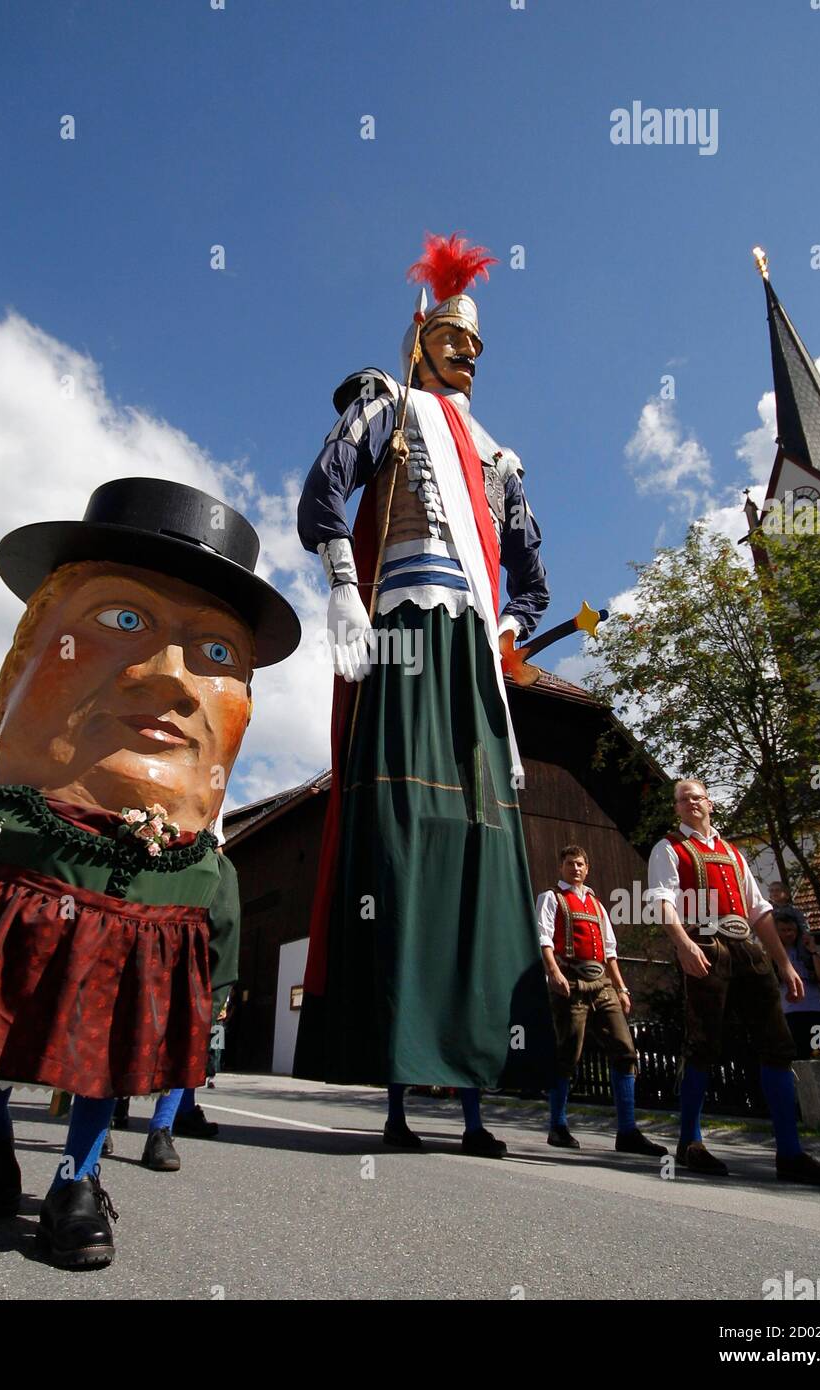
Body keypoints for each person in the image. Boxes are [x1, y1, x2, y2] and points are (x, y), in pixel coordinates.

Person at [0, 478, 300, 1269]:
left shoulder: (200, 869)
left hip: (131, 954)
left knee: (112, 1048)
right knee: (0, 1022)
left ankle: (76, 1183)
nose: (171, 677)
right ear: (25, 653)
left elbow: (213, 969)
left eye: (217, 653)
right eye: (122, 619)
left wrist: (207, 1013)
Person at [293, 233, 552, 1158]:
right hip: (400, 626)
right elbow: (324, 491)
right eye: (454, 339)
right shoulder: (388, 408)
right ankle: (398, 1093)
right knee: (403, 835)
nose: (470, 355)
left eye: (478, 346)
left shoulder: (498, 457)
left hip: (470, 650)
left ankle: (478, 1093)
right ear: (420, 339)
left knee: (483, 844)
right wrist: (339, 587)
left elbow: (530, 574)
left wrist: (511, 627)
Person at [647, 779, 820, 1186]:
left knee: (777, 1044)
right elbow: (660, 900)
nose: (687, 803)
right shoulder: (669, 848)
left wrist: (785, 965)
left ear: (710, 803)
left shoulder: (734, 853)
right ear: (677, 809)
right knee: (702, 1043)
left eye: (694, 797)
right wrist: (683, 944)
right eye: (680, 800)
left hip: (746, 948)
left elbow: (759, 912)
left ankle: (790, 1152)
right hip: (705, 945)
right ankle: (690, 1142)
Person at [538, 845, 666, 1157]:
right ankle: (558, 1125)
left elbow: (610, 950)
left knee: (625, 1050)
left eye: (580, 864)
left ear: (588, 868)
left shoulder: (596, 903)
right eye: (570, 864)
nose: (576, 869)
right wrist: (553, 973)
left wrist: (621, 989)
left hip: (603, 984)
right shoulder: (552, 897)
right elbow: (543, 938)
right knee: (568, 1052)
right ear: (561, 867)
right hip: (571, 981)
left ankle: (628, 1130)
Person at [773, 914, 820, 1059]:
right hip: (791, 1014)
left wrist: (812, 951)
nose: (789, 934)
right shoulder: (773, 955)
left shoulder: (806, 953)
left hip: (816, 1012)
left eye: (792, 930)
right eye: (784, 930)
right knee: (799, 1055)